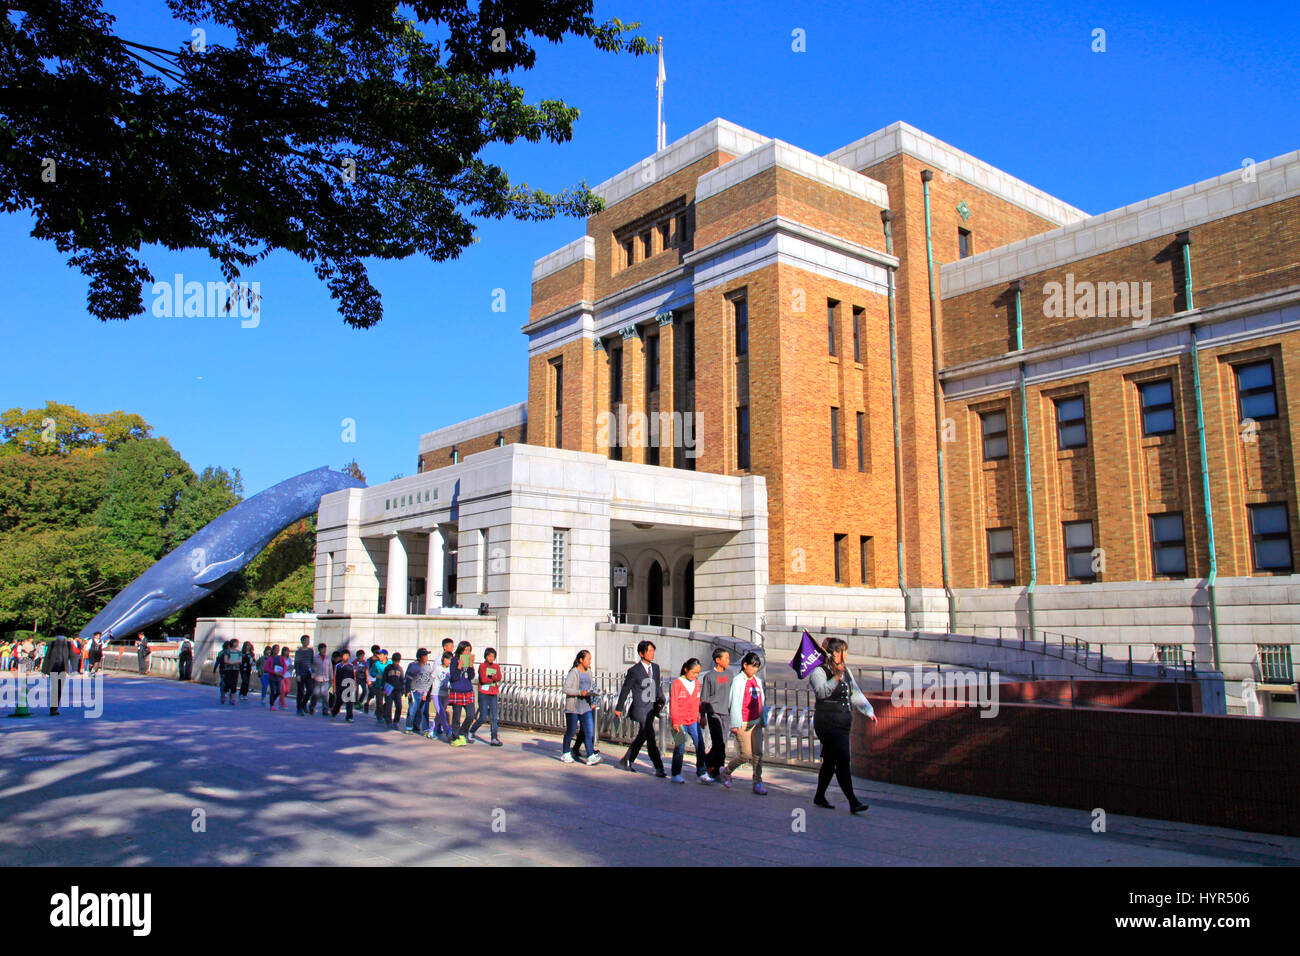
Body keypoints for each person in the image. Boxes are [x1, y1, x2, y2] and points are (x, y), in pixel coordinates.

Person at [810, 637, 876, 814]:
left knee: (830, 761)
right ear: (833, 653)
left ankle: (819, 796)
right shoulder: (819, 671)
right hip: (828, 722)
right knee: (843, 760)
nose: (845, 654)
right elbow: (822, 692)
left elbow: (854, 692)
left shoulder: (846, 671)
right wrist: (836, 677)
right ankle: (853, 802)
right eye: (841, 651)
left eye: (845, 651)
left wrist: (868, 710)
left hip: (843, 722)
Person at [614, 640, 666, 777]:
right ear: (641, 654)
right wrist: (619, 708)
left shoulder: (655, 668)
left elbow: (657, 685)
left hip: (651, 708)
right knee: (650, 737)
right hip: (640, 708)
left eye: (653, 651)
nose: (652, 654)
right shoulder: (634, 671)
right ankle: (659, 767)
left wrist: (661, 699)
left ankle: (626, 760)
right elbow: (625, 690)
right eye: (649, 651)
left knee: (642, 736)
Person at [723, 651, 767, 795]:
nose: (754, 670)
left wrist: (763, 719)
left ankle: (757, 782)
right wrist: (735, 723)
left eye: (756, 667)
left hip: (756, 722)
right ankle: (728, 770)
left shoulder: (758, 681)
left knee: (758, 753)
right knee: (746, 754)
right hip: (743, 722)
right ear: (745, 665)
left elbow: (762, 701)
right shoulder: (738, 680)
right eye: (752, 666)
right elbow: (734, 701)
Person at [669, 658, 713, 784]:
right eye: (694, 672)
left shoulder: (697, 683)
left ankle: (702, 772)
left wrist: (702, 716)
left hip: (693, 720)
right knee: (679, 748)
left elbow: (698, 702)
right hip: (680, 722)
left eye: (698, 673)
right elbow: (674, 704)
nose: (696, 675)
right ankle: (676, 773)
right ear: (686, 669)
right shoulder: (678, 683)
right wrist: (675, 721)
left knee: (700, 746)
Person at [561, 650, 601, 765]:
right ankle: (565, 753)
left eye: (590, 659)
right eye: (588, 659)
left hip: (586, 707)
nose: (590, 662)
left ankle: (590, 755)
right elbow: (566, 689)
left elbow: (591, 687)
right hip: (573, 708)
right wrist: (579, 692)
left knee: (589, 732)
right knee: (571, 731)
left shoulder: (589, 672)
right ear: (581, 660)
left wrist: (592, 697)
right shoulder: (574, 672)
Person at [699, 648, 734, 782]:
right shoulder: (709, 676)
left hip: (727, 712)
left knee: (723, 742)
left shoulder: (730, 675)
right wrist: (702, 716)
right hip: (713, 712)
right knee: (718, 742)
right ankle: (718, 769)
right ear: (718, 660)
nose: (728, 661)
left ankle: (708, 763)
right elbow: (704, 698)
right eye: (726, 658)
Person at [468, 647, 504, 746]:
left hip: (493, 692)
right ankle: (471, 731)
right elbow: (483, 679)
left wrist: (491, 678)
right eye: (489, 656)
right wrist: (493, 678)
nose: (491, 658)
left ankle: (494, 738)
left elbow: (499, 677)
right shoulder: (482, 666)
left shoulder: (496, 666)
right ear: (486, 656)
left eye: (493, 656)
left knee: (494, 717)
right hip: (483, 692)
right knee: (483, 717)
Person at [447, 641, 476, 747]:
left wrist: (471, 665)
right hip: (457, 690)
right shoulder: (454, 660)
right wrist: (459, 666)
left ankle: (462, 733)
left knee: (471, 714)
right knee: (456, 716)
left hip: (468, 690)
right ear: (461, 650)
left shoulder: (468, 661)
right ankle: (455, 737)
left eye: (469, 650)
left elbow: (471, 676)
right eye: (466, 650)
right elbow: (454, 677)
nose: (467, 652)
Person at [404, 648, 435, 736]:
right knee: (412, 710)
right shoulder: (413, 666)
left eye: (427, 655)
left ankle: (424, 728)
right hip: (414, 691)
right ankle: (409, 727)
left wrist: (429, 693)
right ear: (420, 657)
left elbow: (430, 681)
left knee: (424, 711)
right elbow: (408, 679)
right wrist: (407, 691)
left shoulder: (428, 667)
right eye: (425, 655)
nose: (426, 657)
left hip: (424, 692)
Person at [41, 635, 71, 716]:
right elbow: (47, 657)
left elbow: (71, 657)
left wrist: (69, 670)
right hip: (53, 668)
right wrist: (44, 671)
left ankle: (55, 708)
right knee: (55, 688)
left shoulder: (68, 645)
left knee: (59, 689)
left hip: (62, 669)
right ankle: (53, 709)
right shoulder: (52, 644)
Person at [432, 651, 454, 740]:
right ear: (443, 659)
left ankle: (431, 730)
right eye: (447, 659)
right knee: (442, 713)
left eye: (450, 659)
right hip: (436, 693)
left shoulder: (450, 670)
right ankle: (448, 732)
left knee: (439, 714)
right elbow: (431, 679)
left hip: (445, 694)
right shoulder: (438, 668)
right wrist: (426, 692)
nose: (449, 661)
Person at [382, 652, 405, 729]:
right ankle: (388, 721)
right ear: (392, 660)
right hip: (389, 690)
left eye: (397, 661)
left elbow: (402, 679)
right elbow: (384, 679)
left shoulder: (400, 669)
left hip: (397, 690)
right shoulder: (388, 668)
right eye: (395, 660)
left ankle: (396, 721)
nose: (396, 662)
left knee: (399, 706)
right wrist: (383, 688)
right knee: (389, 706)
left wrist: (403, 690)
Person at [332, 650, 357, 722]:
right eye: (344, 655)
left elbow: (354, 676)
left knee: (349, 702)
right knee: (339, 701)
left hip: (350, 686)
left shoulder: (352, 666)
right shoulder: (338, 666)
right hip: (340, 686)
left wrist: (354, 686)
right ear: (341, 657)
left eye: (347, 655)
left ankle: (349, 717)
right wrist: (335, 688)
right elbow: (335, 677)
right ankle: (334, 712)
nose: (346, 657)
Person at [293, 636, 315, 714]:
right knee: (300, 692)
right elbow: (297, 663)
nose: (307, 642)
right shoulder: (298, 651)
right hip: (301, 673)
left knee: (310, 690)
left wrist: (313, 672)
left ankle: (304, 704)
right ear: (302, 641)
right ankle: (299, 708)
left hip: (309, 673)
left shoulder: (310, 651)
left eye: (308, 640)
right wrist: (297, 674)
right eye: (305, 640)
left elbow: (312, 662)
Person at [310, 643, 332, 716]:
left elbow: (330, 669)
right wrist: (312, 675)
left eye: (325, 649)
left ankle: (325, 710)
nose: (324, 651)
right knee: (316, 695)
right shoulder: (315, 657)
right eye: (322, 649)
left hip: (325, 679)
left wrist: (331, 678)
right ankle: (312, 707)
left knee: (325, 695)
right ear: (319, 649)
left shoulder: (328, 658)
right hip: (317, 678)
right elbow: (312, 667)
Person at [218, 639, 241, 705]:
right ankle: (223, 695)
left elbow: (240, 660)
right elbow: (225, 660)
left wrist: (234, 662)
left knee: (234, 684)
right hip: (227, 669)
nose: (237, 644)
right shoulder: (226, 652)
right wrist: (230, 662)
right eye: (235, 643)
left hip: (235, 669)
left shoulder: (238, 652)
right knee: (227, 683)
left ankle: (232, 698)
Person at [263, 644, 286, 710]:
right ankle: (271, 704)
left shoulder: (281, 658)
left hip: (279, 677)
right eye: (275, 649)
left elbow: (284, 666)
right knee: (273, 691)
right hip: (272, 677)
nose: (277, 650)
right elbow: (266, 668)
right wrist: (274, 672)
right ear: (273, 650)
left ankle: (273, 701)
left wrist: (282, 673)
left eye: (278, 649)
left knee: (278, 691)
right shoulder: (270, 658)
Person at [368, 649, 389, 722]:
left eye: (381, 655)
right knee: (379, 702)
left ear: (385, 655)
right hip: (378, 685)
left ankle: (384, 714)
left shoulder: (390, 663)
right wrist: (376, 675)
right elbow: (371, 672)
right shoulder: (376, 663)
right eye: (378, 654)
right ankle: (379, 717)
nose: (379, 656)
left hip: (387, 686)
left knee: (388, 701)